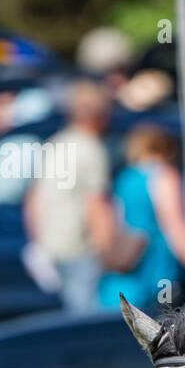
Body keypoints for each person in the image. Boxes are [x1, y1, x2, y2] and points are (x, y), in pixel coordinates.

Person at [23, 80, 112, 313]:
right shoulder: (91, 149)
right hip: (82, 249)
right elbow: (97, 204)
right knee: (87, 318)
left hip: (53, 247)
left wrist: (38, 244)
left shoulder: (55, 144)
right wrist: (109, 251)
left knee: (72, 312)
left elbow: (33, 199)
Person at [94, 124, 185, 310]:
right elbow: (175, 229)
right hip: (156, 273)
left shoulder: (125, 177)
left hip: (123, 278)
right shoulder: (163, 176)